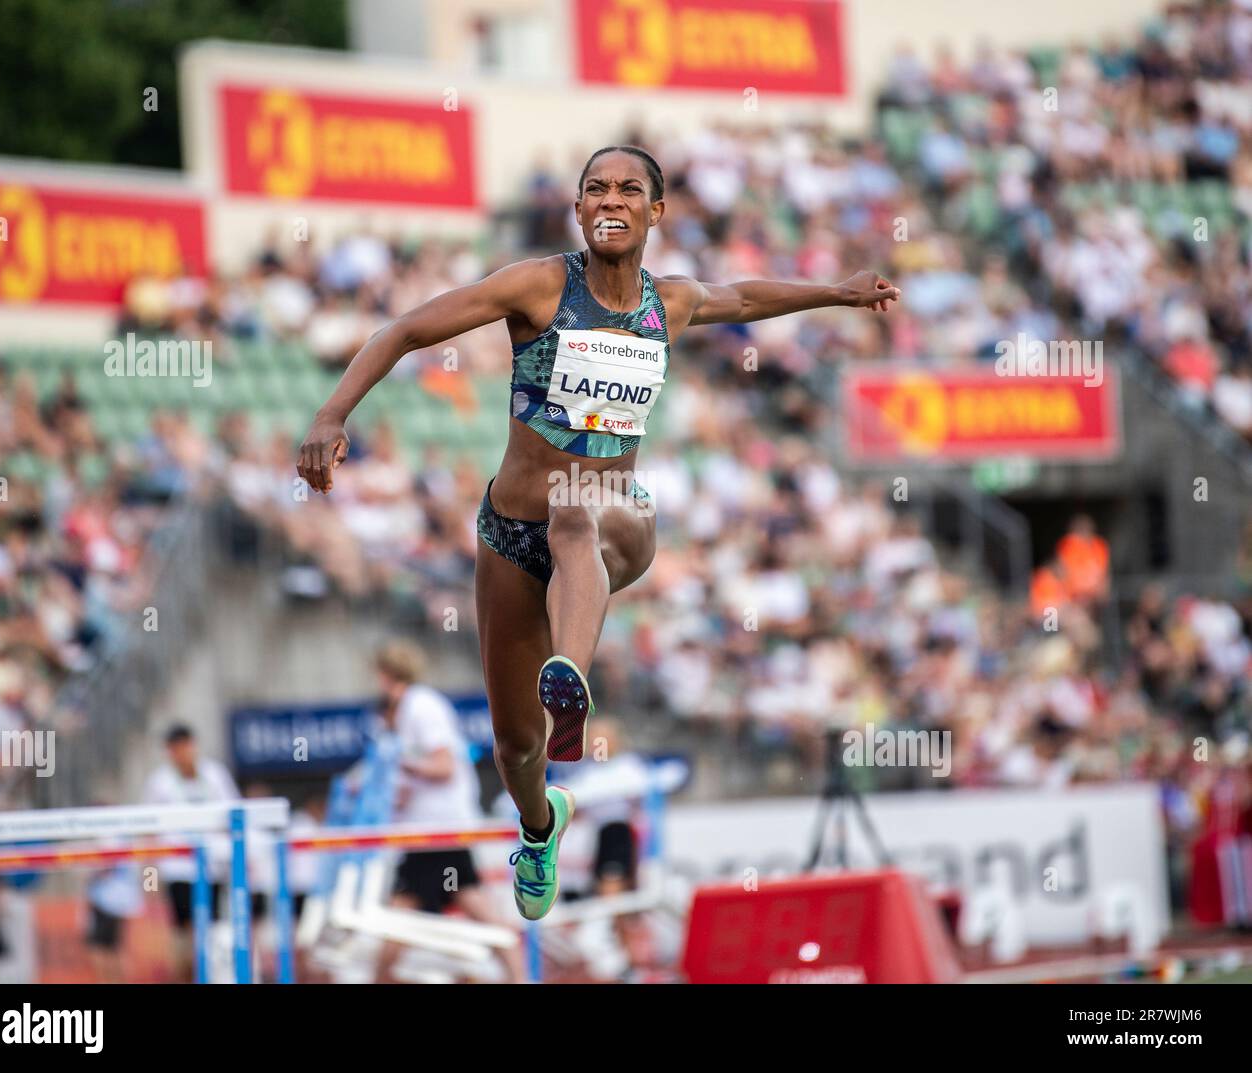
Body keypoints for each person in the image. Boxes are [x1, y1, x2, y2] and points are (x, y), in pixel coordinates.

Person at [298, 145, 899, 920]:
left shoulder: (668, 304)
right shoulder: (541, 286)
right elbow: (407, 329)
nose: (609, 199)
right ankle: (539, 826)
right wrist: (330, 412)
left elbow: (744, 296)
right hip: (510, 537)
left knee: (575, 502)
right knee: (517, 749)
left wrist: (837, 293)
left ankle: (567, 685)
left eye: (628, 189)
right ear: (578, 208)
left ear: (657, 210)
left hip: (617, 525)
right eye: (594, 189)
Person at [372, 641, 524, 983]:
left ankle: (517, 971)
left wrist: (398, 764)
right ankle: (517, 971)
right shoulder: (412, 710)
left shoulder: (420, 706)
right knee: (421, 905)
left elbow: (443, 766)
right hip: (428, 832)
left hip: (437, 831)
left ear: (385, 675)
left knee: (409, 910)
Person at [142, 724, 241, 982]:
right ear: (169, 752)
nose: (182, 754)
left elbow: (235, 816)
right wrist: (150, 879)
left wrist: (239, 861)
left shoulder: (215, 775)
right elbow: (148, 831)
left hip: (213, 866)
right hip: (178, 868)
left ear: (193, 746)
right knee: (184, 934)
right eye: (176, 749)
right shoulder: (160, 782)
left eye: (185, 747)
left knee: (212, 931)